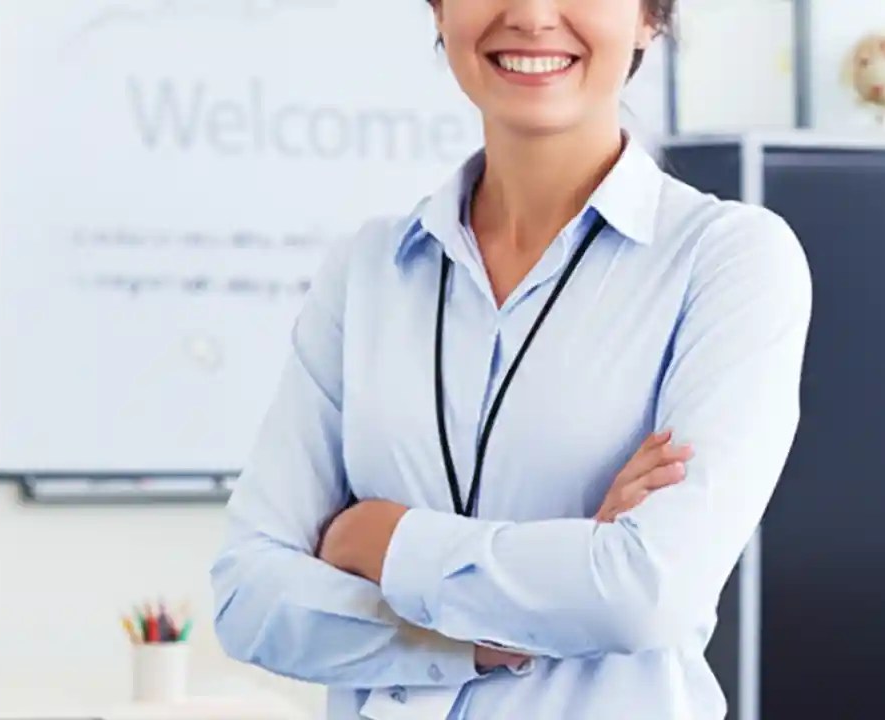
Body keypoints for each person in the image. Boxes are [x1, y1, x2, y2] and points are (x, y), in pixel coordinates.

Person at [210, 0, 812, 717]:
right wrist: (499, 629)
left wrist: (381, 539)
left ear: (651, 16)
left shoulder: (727, 259)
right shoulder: (367, 271)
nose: (530, 14)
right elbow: (249, 598)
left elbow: (648, 595)